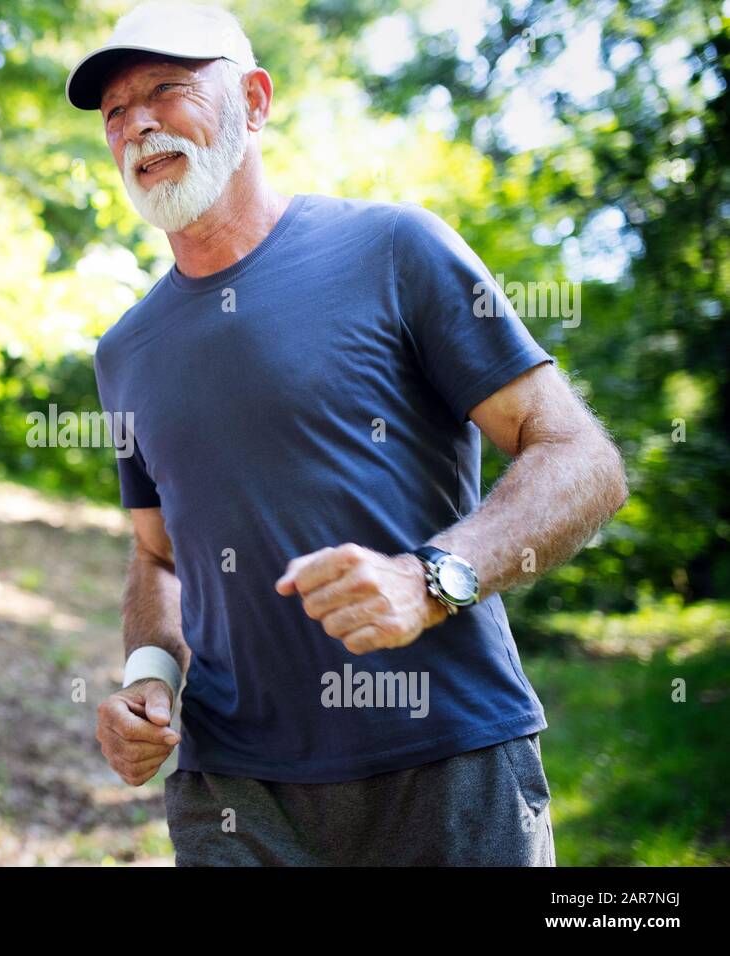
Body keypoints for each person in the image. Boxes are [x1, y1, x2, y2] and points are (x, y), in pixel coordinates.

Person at [71, 2, 628, 865]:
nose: (137, 122)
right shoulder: (123, 352)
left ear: (254, 101)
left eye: (167, 89)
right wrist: (149, 681)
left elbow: (581, 457)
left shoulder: (394, 249)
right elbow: (160, 557)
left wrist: (434, 579)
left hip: (444, 761)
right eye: (114, 112)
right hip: (233, 794)